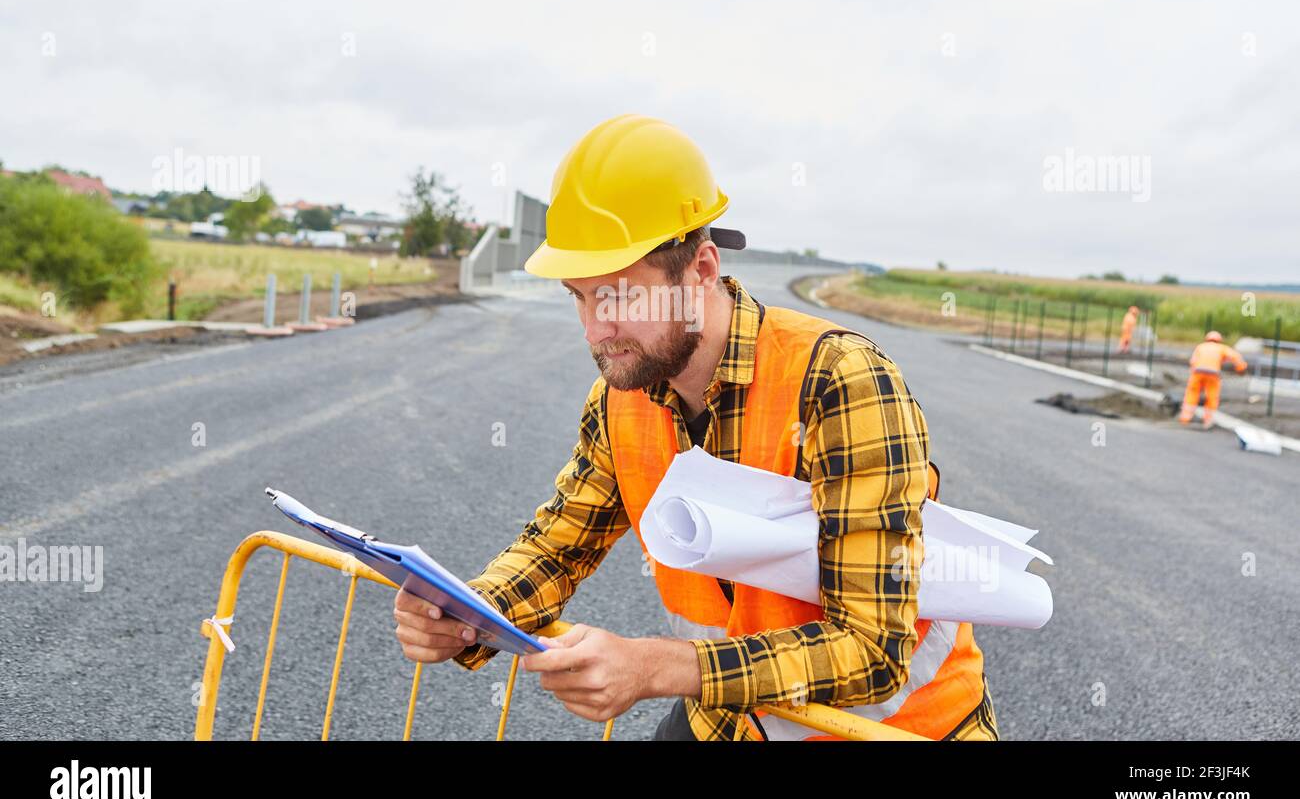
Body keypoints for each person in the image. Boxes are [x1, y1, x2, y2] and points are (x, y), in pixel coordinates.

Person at [392, 114, 997, 741]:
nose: (597, 330)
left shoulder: (840, 383)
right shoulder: (620, 400)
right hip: (737, 721)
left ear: (702, 269)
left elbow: (873, 648)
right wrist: (465, 611)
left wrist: (657, 667)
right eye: (578, 295)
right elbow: (558, 545)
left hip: (896, 731)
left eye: (622, 296)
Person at [1179, 330, 1247, 428]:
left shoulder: (1201, 347)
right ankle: (1208, 420)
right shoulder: (1221, 348)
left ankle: (1185, 418)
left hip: (1197, 372)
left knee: (1192, 393)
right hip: (1213, 374)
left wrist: (1195, 371)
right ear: (1219, 340)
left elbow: (1193, 361)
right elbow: (1235, 356)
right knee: (1212, 395)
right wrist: (1241, 368)